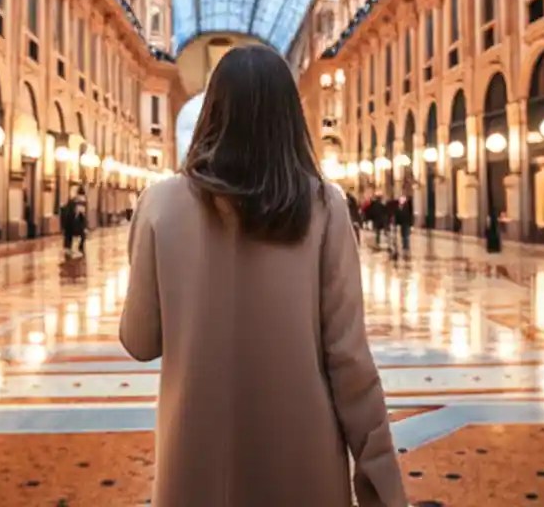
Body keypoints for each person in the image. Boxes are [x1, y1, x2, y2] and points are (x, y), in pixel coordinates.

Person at [120, 45, 405, 507]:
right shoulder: (325, 206)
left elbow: (139, 341)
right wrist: (381, 481)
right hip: (303, 468)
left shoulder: (159, 203)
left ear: (211, 112)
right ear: (290, 118)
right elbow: (349, 359)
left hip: (194, 468)